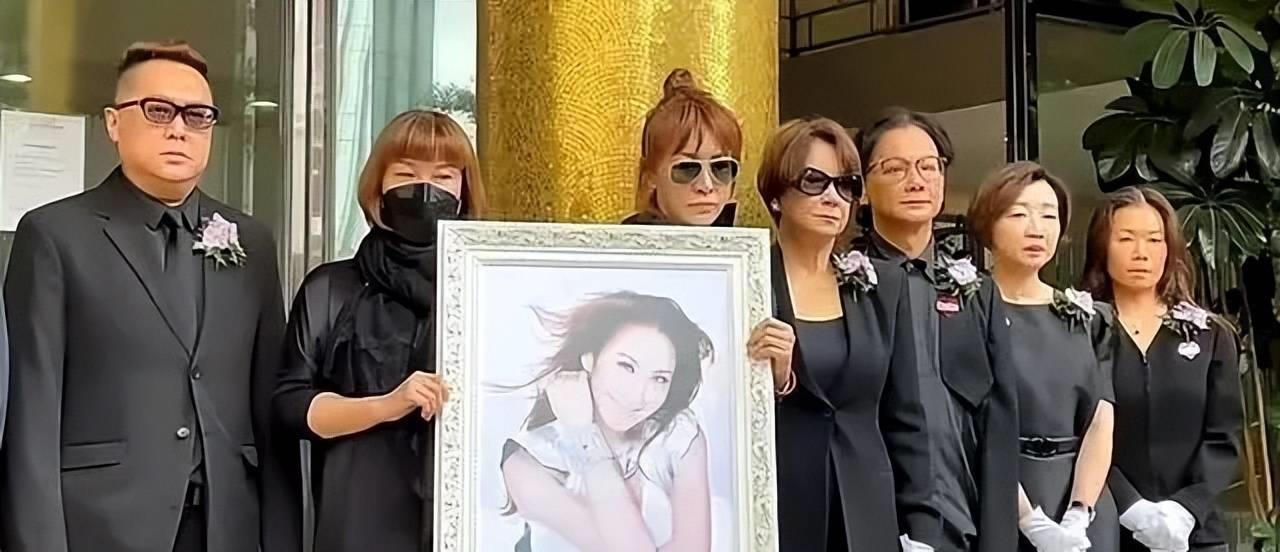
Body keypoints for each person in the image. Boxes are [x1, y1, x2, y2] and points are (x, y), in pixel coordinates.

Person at [0, 40, 300, 552]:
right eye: (158, 111)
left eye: (198, 115)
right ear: (114, 124)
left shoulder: (249, 240)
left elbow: (266, 407)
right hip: (100, 525)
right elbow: (32, 412)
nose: (179, 128)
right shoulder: (55, 235)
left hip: (227, 526)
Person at [273, 110, 483, 552]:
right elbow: (292, 405)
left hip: (470, 518)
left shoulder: (487, 288)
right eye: (406, 173)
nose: (426, 190)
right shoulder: (331, 288)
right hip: (359, 519)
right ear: (378, 189)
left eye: (444, 176)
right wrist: (386, 406)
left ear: (465, 191)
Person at [748, 117, 937, 551]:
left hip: (868, 513)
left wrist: (921, 532)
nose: (833, 197)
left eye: (847, 184)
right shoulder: (749, 282)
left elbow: (906, 419)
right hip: (779, 508)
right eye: (814, 181)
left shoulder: (882, 286)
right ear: (777, 194)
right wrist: (777, 384)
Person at [855, 108, 1019, 552]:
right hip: (877, 521)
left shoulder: (974, 289)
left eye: (929, 166)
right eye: (895, 168)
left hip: (965, 517)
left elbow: (998, 422)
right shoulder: (845, 284)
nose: (916, 180)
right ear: (862, 189)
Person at [1079, 186, 1242, 552]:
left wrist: (1185, 510)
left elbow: (1224, 437)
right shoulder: (1081, 330)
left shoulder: (1209, 334)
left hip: (1194, 535)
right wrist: (1130, 507)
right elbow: (1075, 430)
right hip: (1107, 529)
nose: (1142, 253)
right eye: (1126, 238)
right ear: (1102, 246)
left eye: (1154, 239)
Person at [966, 162, 1118, 552]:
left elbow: (1100, 419)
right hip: (1000, 496)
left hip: (1081, 503)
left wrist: (1080, 513)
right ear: (988, 224)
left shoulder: (1085, 317)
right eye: (1019, 214)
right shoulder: (968, 312)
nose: (1037, 228)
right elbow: (970, 424)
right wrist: (1029, 521)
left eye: (1049, 215)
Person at [498, 291, 713, 551]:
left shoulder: (678, 435)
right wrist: (582, 436)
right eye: (626, 366)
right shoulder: (527, 460)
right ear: (590, 358)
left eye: (659, 379)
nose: (639, 395)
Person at [621, 68, 741, 227]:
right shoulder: (621, 250)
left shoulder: (748, 248)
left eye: (721, 168)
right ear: (650, 177)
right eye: (687, 169)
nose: (706, 186)